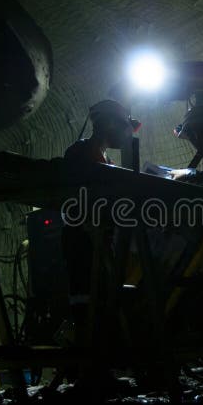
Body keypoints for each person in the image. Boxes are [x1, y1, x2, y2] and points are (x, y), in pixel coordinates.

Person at [61, 100, 140, 345]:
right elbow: (75, 198)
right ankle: (88, 370)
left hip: (101, 239)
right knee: (87, 300)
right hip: (82, 238)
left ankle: (99, 369)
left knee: (104, 300)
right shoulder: (80, 153)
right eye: (123, 127)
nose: (125, 134)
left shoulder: (106, 161)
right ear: (107, 123)